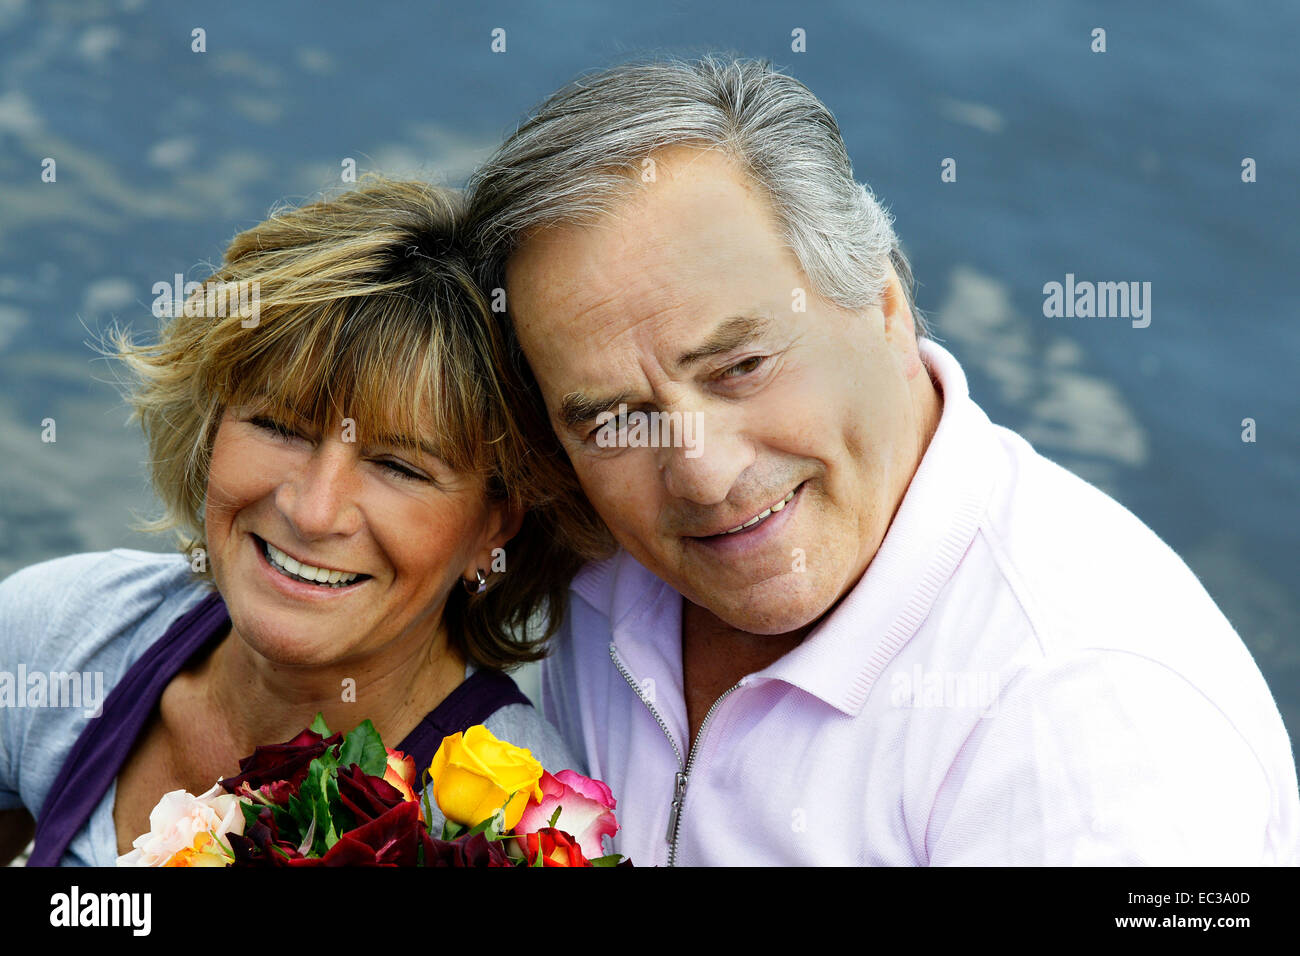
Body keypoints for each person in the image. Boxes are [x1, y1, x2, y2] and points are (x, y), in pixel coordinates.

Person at [462, 55, 1300, 865]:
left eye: (741, 368)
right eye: (613, 420)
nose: (704, 476)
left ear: (885, 305)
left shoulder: (1083, 723)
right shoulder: (585, 540)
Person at [0, 177, 583, 866]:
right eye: (278, 425)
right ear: (211, 423)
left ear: (495, 526)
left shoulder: (522, 831)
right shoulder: (60, 635)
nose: (312, 511)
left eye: (399, 466)